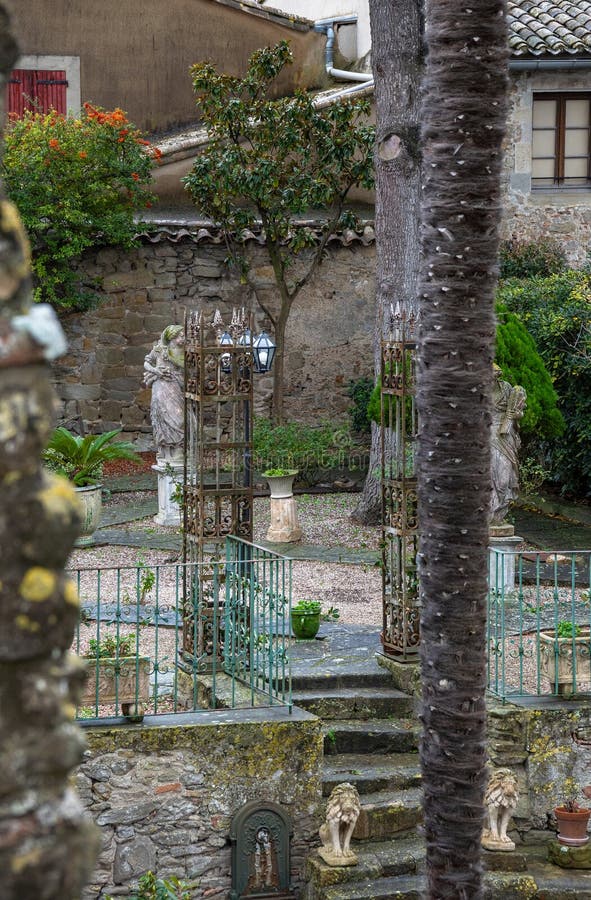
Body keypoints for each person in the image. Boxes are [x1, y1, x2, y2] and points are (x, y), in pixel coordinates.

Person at [490, 365, 527, 526]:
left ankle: (499, 512)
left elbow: (519, 412)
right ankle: (488, 516)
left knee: (504, 477)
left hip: (505, 435)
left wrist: (515, 415)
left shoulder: (506, 388)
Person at [143, 325, 185, 462]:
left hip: (175, 385)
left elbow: (185, 366)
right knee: (161, 415)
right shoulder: (159, 349)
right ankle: (165, 451)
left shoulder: (182, 351)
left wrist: (171, 358)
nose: (183, 338)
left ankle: (178, 449)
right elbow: (147, 363)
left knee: (177, 417)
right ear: (172, 337)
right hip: (160, 386)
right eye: (181, 335)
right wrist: (156, 371)